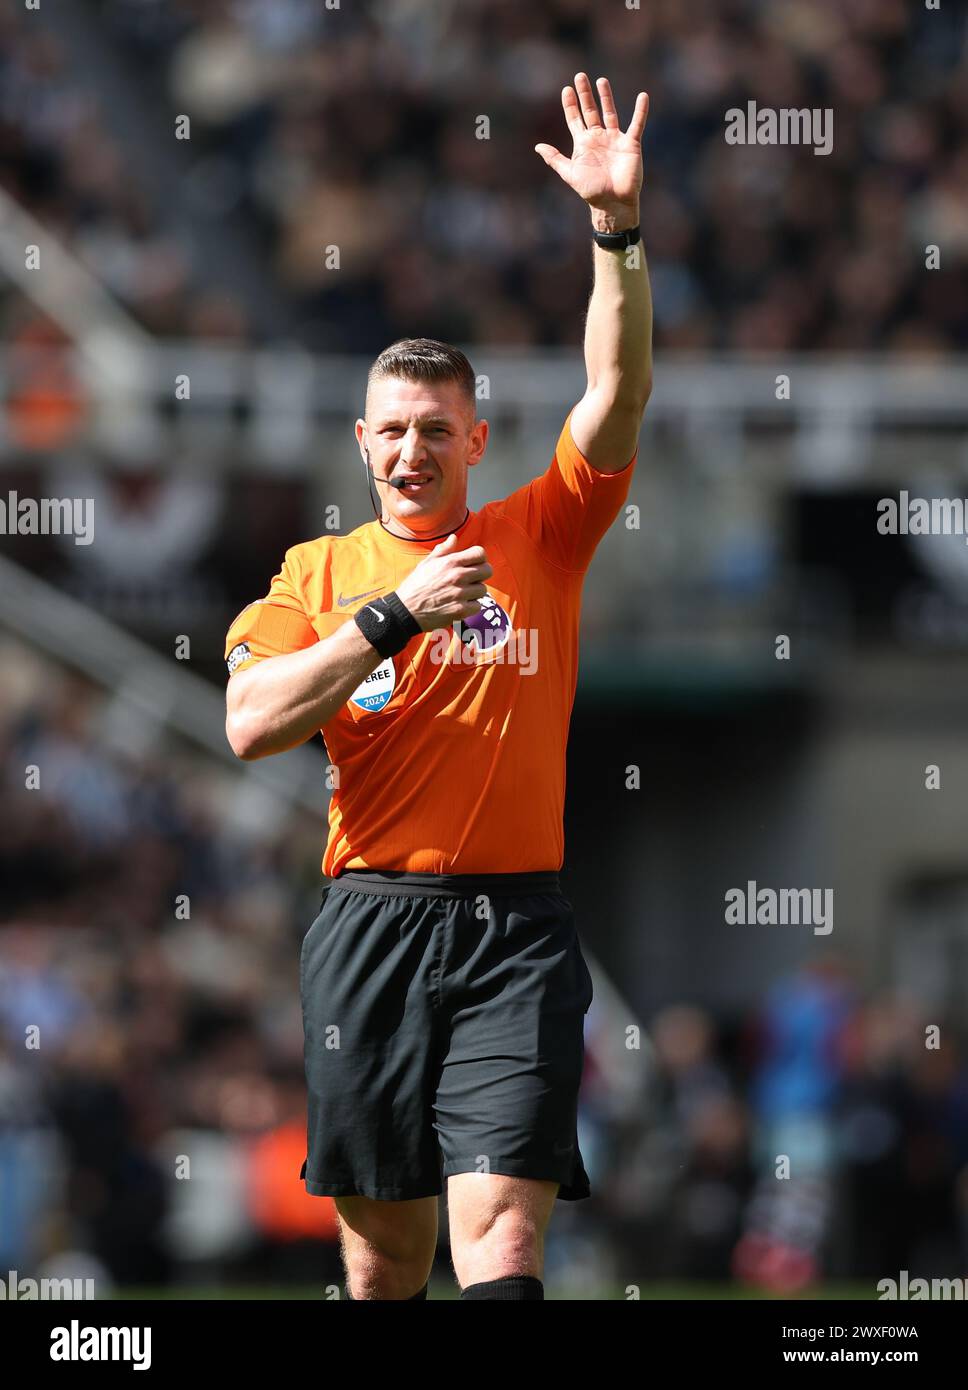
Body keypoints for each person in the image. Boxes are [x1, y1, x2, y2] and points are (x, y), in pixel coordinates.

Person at [224, 73, 653, 1301]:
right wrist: (389, 617)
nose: (412, 450)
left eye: (435, 428)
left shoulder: (544, 533)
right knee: (379, 1263)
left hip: (517, 930)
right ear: (362, 446)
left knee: (504, 1249)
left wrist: (613, 234)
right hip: (368, 926)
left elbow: (616, 391)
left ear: (476, 438)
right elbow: (252, 721)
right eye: (391, 431)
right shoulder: (314, 573)